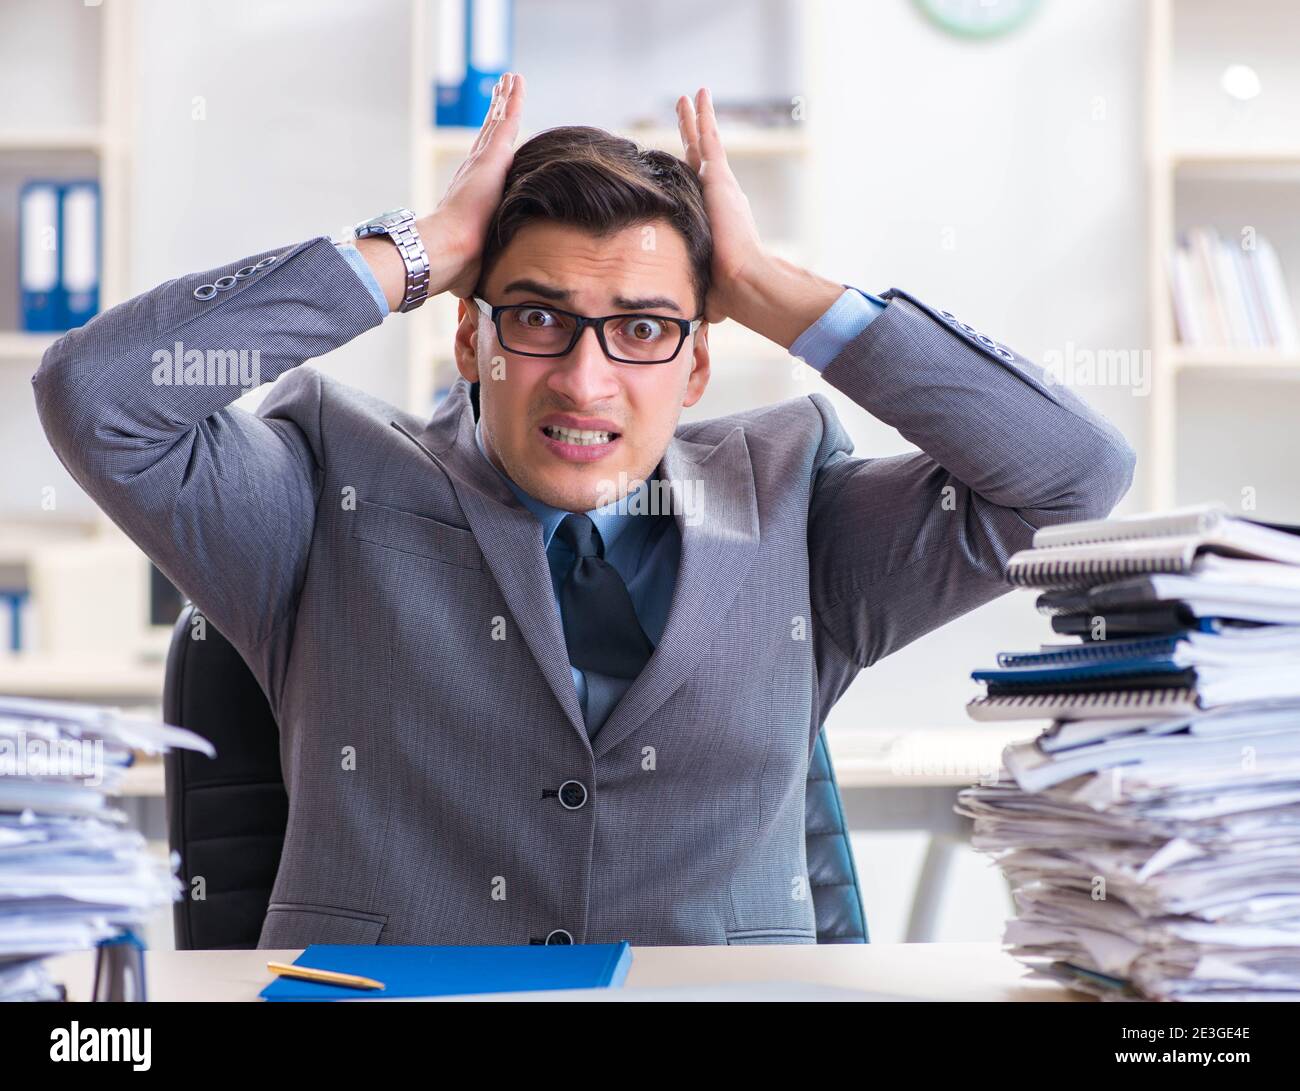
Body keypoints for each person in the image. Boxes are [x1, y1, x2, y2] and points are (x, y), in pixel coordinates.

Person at [33, 74, 1135, 947]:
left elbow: (1071, 474)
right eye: (538, 319)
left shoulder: (793, 498)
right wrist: (413, 255)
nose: (585, 380)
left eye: (645, 327)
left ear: (699, 363)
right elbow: (97, 393)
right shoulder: (322, 483)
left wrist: (764, 286)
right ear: (471, 339)